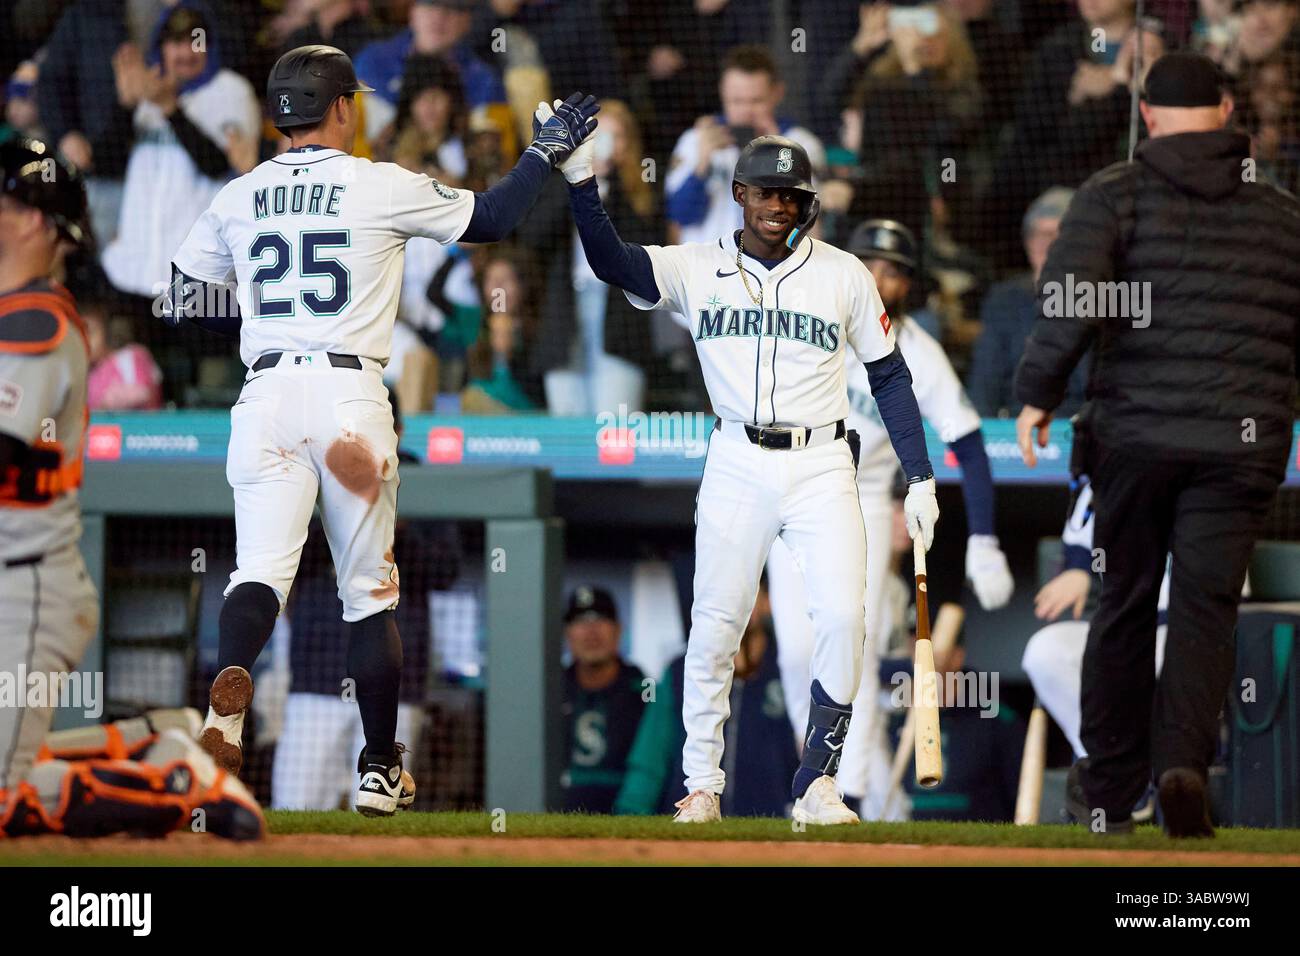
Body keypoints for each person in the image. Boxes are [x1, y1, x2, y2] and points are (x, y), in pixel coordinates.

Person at [167, 44, 598, 815]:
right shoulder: (375, 183)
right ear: (341, 108)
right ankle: (377, 767)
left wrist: (264, 313)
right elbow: (494, 218)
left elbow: (180, 294)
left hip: (264, 391)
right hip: (347, 396)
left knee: (259, 576)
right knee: (368, 595)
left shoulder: (241, 193)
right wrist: (544, 151)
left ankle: (223, 707)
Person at [557, 122, 939, 824]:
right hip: (736, 456)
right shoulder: (697, 265)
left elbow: (890, 377)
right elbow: (612, 263)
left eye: (792, 195)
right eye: (766, 192)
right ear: (739, 194)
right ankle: (702, 784)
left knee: (844, 617)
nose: (779, 206)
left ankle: (819, 781)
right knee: (715, 625)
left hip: (825, 461)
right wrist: (584, 184)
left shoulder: (844, 273)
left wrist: (919, 476)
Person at [1014, 52, 1300, 838]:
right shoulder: (1281, 215)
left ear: (1145, 116)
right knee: (1206, 612)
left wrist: (1037, 394)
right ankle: (1181, 765)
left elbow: (1069, 302)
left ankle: (1107, 790)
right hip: (1241, 450)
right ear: (1228, 109)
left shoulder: (1114, 194)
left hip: (1134, 440)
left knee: (1124, 606)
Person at [0, 137, 261, 841]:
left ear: (31, 219)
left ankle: (175, 788)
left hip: (24, 587)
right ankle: (150, 739)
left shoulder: (34, 318)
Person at [766, 218, 1013, 821]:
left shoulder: (919, 354)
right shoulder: (806, 318)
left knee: (849, 652)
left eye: (894, 271)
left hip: (864, 505)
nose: (880, 278)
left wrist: (983, 538)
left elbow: (970, 441)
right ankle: (872, 797)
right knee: (799, 655)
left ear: (908, 285)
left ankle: (847, 796)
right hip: (790, 496)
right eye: (871, 264)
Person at [100, 3, 261, 299]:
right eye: (176, 42)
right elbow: (106, 163)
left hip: (197, 280)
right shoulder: (148, 93)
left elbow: (218, 166)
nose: (186, 52)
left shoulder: (231, 91)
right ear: (161, 48)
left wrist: (170, 109)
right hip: (134, 272)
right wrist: (125, 107)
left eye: (196, 41)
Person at [520, 100, 658, 416]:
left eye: (616, 137)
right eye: (597, 136)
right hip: (565, 319)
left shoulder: (640, 193)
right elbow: (533, 237)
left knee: (616, 428)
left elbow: (648, 249)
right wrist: (578, 179)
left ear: (629, 144)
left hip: (619, 323)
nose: (606, 146)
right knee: (568, 429)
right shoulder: (558, 186)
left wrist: (613, 185)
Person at [615, 581, 798, 817]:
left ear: (768, 602)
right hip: (690, 828)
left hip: (773, 828)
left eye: (749, 592)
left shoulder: (790, 669)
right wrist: (630, 814)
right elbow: (651, 758)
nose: (739, 603)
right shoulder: (681, 671)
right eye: (727, 595)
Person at [664, 46, 825, 248]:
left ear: (777, 93)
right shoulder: (696, 139)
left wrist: (773, 151)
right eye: (737, 101)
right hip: (707, 267)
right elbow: (681, 215)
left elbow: (807, 217)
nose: (746, 111)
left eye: (756, 101)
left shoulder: (800, 144)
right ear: (722, 92)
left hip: (775, 270)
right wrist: (702, 165)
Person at [967, 187, 1087, 419]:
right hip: (1016, 432)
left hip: (1082, 432)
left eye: (1055, 235)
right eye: (1037, 234)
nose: (1045, 245)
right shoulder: (1004, 301)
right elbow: (984, 387)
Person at [353, 0, 510, 148]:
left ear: (467, 21)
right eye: (429, 4)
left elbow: (496, 152)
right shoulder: (374, 60)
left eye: (451, 9)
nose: (438, 17)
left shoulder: (483, 79)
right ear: (413, 12)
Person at [560, 586, 646, 814]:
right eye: (581, 621)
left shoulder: (643, 691)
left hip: (629, 813)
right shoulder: (550, 691)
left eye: (601, 619)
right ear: (567, 633)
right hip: (557, 813)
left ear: (618, 630)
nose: (591, 631)